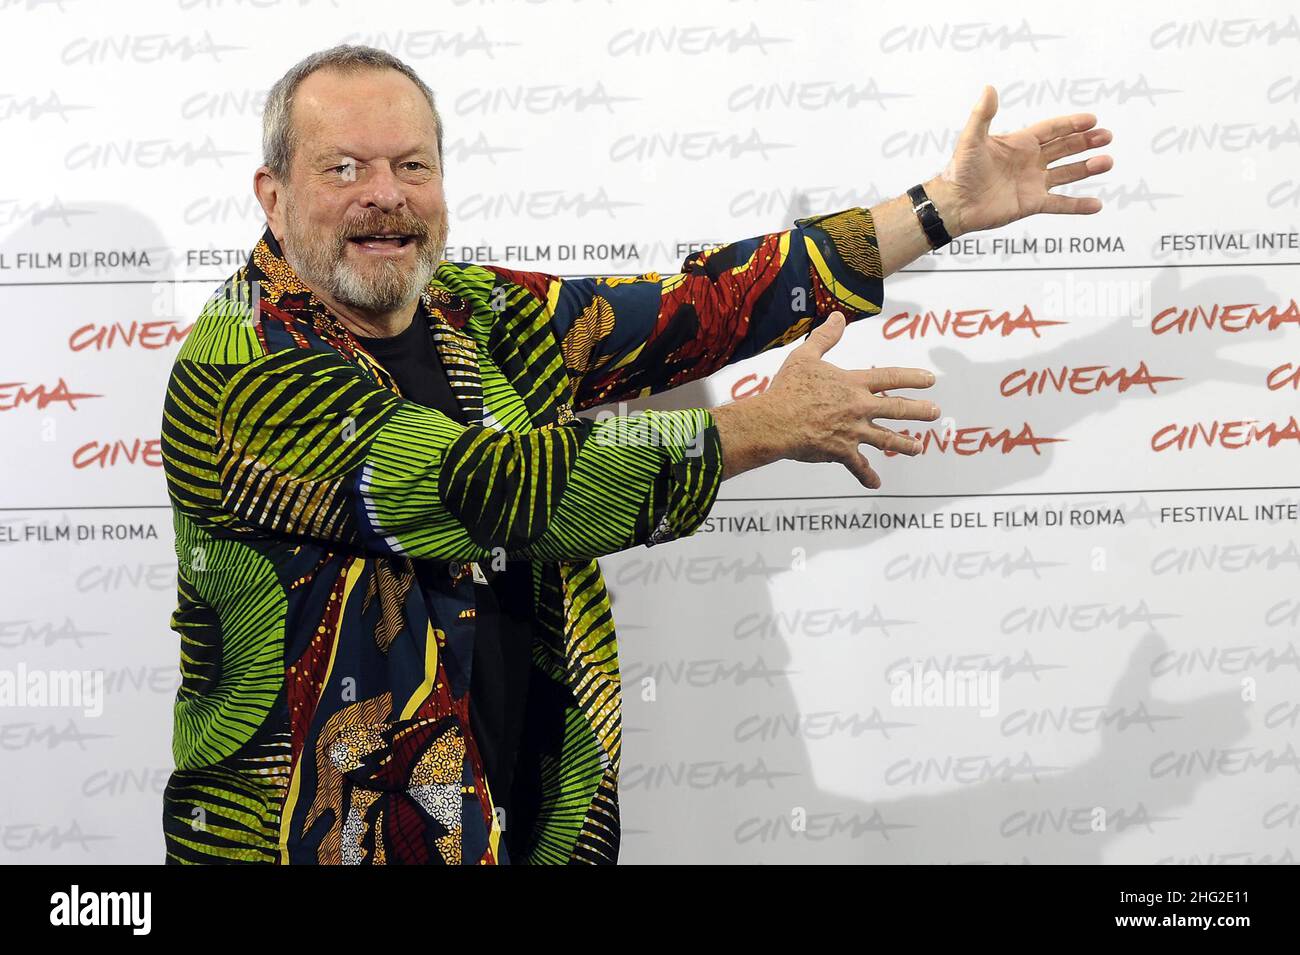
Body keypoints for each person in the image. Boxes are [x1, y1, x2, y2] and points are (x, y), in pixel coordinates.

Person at [159, 44, 1113, 864]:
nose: (385, 197)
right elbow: (487, 491)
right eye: (344, 169)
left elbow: (705, 304)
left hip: (524, 826)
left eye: (412, 165)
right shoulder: (238, 365)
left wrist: (939, 207)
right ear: (273, 196)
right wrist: (755, 427)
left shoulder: (482, 313)